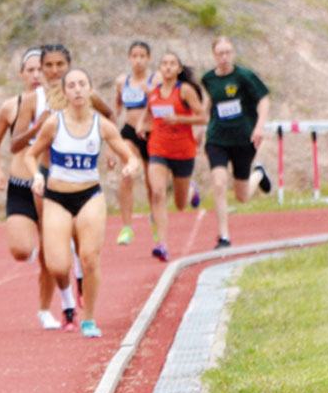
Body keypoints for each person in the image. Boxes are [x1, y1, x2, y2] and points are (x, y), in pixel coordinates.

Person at [22, 67, 141, 338]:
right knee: (57, 265)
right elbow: (31, 155)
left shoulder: (102, 125)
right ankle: (68, 300)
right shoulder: (54, 123)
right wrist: (36, 177)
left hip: (90, 196)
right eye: (72, 85)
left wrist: (130, 167)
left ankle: (89, 319)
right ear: (64, 92)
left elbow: (128, 155)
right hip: (56, 198)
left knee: (89, 258)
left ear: (90, 90)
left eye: (82, 84)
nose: (77, 90)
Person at [10, 44, 118, 326]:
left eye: (60, 65)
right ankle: (67, 302)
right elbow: (15, 144)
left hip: (80, 178)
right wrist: (37, 128)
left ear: (69, 65)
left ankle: (82, 281)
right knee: (51, 247)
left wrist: (110, 154)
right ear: (41, 68)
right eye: (49, 65)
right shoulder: (34, 100)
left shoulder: (83, 93)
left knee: (82, 240)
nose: (54, 71)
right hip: (46, 175)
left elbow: (109, 120)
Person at [0, 47, 62, 330]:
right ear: (21, 74)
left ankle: (45, 309)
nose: (35, 75)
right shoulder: (12, 106)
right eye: (29, 70)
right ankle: (27, 243)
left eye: (39, 69)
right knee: (21, 251)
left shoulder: (62, 104)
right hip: (20, 184)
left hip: (50, 185)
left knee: (49, 254)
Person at [200, 35, 272, 249]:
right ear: (214, 55)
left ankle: (258, 174)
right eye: (219, 53)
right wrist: (201, 127)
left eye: (227, 53)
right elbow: (210, 102)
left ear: (233, 53)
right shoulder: (208, 79)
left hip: (242, 139)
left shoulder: (244, 76)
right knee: (219, 183)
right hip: (217, 139)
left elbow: (264, 99)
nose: (224, 57)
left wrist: (259, 126)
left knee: (242, 196)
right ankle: (224, 237)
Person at [140, 51, 208, 261]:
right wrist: (143, 126)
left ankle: (190, 190)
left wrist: (178, 119)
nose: (168, 67)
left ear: (179, 69)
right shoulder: (154, 92)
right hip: (158, 150)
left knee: (180, 204)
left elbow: (203, 117)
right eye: (164, 63)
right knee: (158, 192)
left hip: (183, 152)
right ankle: (162, 244)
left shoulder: (185, 90)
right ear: (159, 68)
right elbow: (149, 113)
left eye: (172, 64)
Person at [111, 40, 155, 246]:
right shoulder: (123, 81)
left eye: (142, 56)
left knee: (151, 181)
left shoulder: (156, 80)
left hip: (151, 133)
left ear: (149, 59)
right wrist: (110, 134)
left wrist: (150, 94)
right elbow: (117, 108)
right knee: (127, 175)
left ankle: (155, 219)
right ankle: (126, 227)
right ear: (129, 58)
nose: (138, 61)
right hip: (129, 131)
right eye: (134, 56)